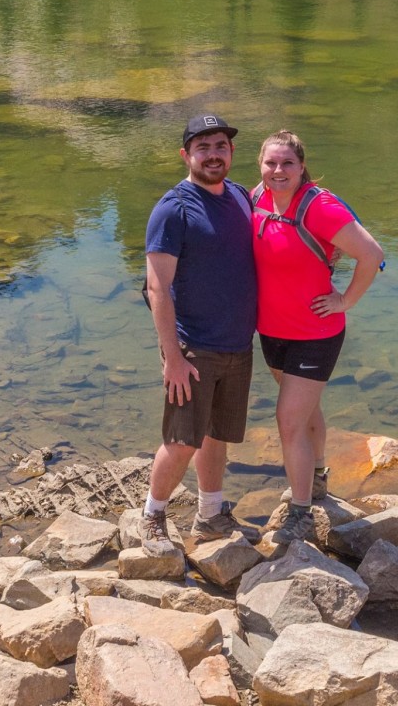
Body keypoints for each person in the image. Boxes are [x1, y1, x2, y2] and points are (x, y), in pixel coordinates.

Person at [252, 130, 384, 545]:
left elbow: (372, 254)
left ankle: (302, 511)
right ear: (260, 164)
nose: (278, 171)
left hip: (316, 331)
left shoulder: (319, 207)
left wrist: (345, 300)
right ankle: (321, 474)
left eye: (287, 163)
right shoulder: (257, 198)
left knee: (288, 421)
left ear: (301, 166)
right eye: (271, 163)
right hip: (272, 330)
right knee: (305, 412)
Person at [140, 114, 260, 555]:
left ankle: (210, 514)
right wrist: (172, 357)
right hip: (193, 347)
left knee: (216, 435)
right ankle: (152, 515)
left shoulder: (241, 197)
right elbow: (157, 287)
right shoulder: (174, 207)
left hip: (237, 343)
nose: (213, 154)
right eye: (203, 147)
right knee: (182, 438)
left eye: (221, 146)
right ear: (186, 154)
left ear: (231, 153)